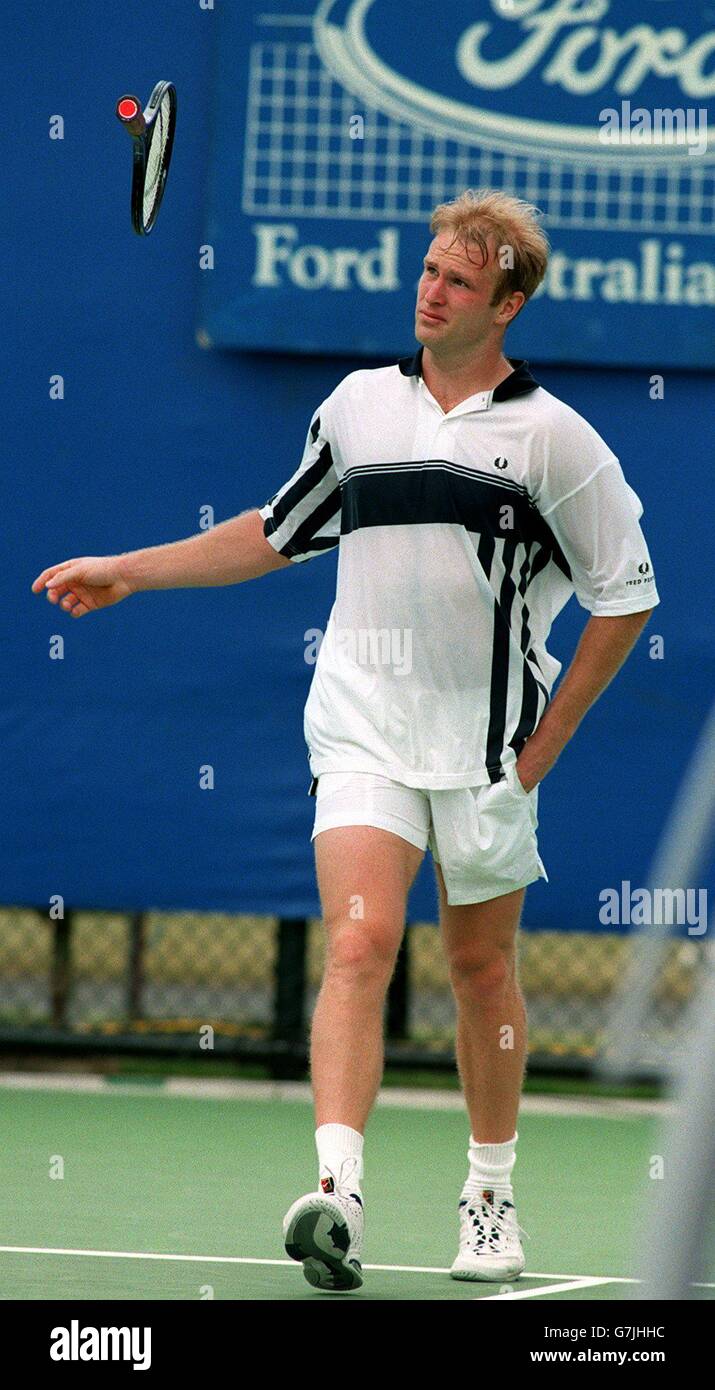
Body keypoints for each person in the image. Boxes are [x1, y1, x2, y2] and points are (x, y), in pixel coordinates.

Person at [33, 189, 659, 1294]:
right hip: (362, 729)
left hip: (485, 754)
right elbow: (275, 532)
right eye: (426, 271)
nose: (430, 291)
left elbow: (628, 596)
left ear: (506, 304)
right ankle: (339, 1193)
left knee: (479, 971)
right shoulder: (359, 407)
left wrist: (541, 747)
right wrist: (128, 567)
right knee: (360, 944)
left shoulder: (557, 442)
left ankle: (491, 1195)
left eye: (458, 282)